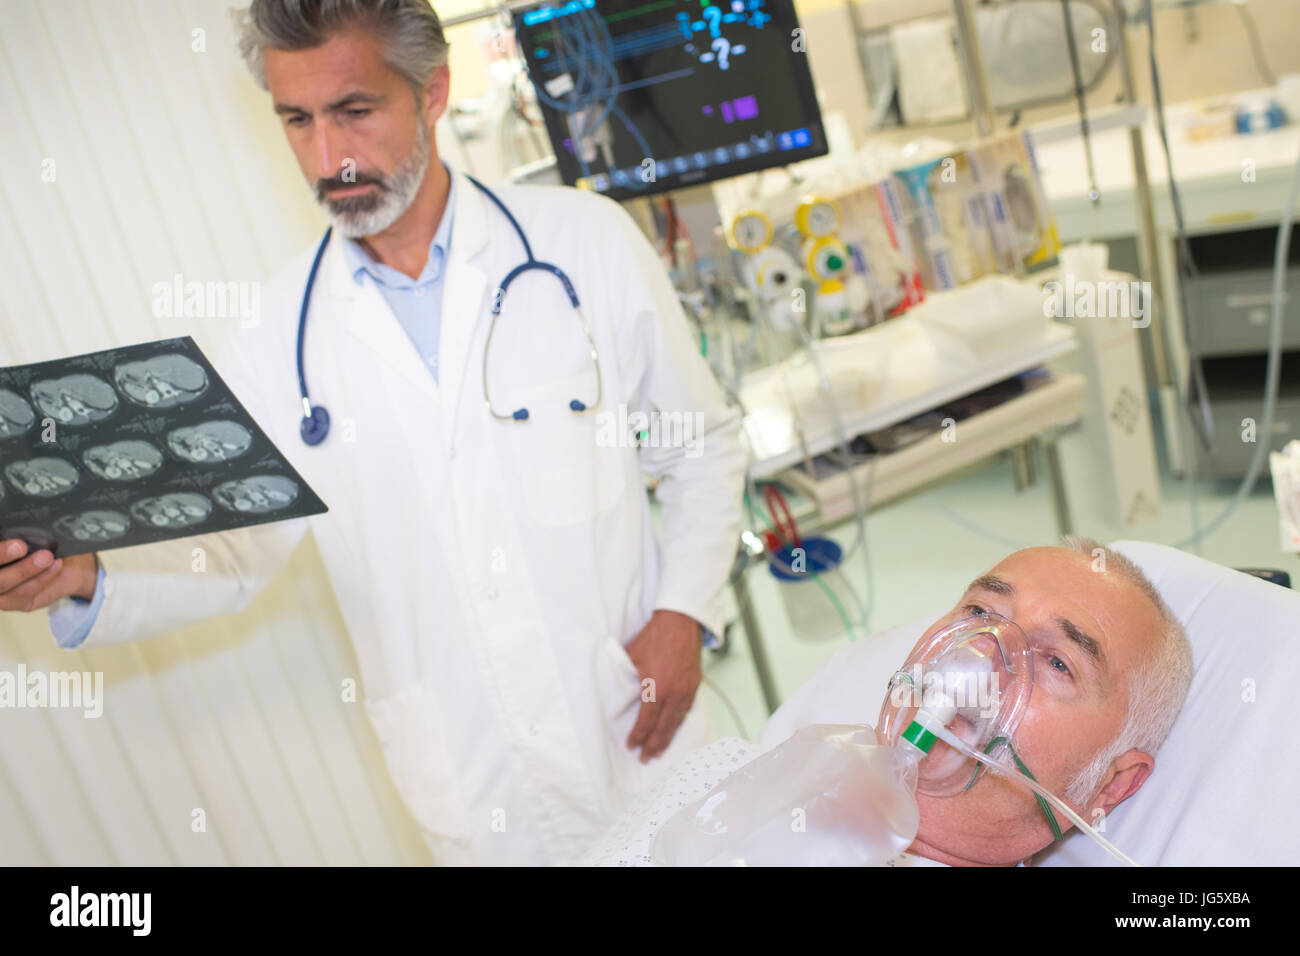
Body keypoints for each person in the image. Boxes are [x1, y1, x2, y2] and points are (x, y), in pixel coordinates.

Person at [0, 0, 745, 866]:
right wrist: (84, 578)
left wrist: (683, 611)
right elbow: (238, 556)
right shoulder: (276, 334)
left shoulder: (584, 244)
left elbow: (700, 444)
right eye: (297, 119)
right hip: (479, 789)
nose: (328, 157)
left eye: (354, 111)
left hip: (637, 731)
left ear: (432, 92)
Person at [586, 537, 1194, 866]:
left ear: (1110, 789)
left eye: (1057, 662)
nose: (980, 659)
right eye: (981, 613)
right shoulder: (722, 775)